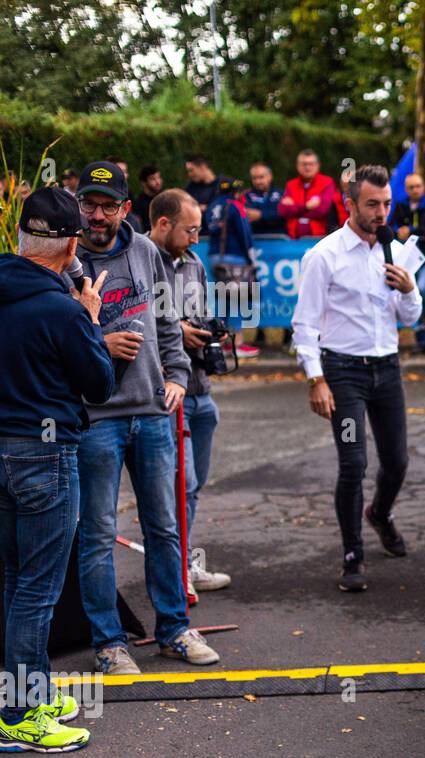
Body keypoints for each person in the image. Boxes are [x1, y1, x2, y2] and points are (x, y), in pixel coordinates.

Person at [73, 161, 219, 674]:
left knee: (165, 525)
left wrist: (177, 373)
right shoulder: (65, 261)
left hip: (154, 413)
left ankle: (174, 630)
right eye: (88, 204)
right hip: (95, 420)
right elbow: (50, 339)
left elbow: (166, 319)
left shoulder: (145, 253)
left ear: (125, 209)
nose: (95, 214)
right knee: (95, 533)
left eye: (106, 205)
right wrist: (99, 343)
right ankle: (110, 643)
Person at [0, 188, 115, 753]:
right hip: (44, 457)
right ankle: (20, 714)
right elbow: (99, 383)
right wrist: (90, 319)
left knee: (12, 580)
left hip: (3, 450)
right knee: (36, 590)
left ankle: (24, 693)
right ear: (70, 244)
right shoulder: (64, 309)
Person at [292, 165, 422, 592]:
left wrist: (408, 289)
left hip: (387, 368)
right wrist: (317, 379)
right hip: (343, 371)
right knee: (353, 464)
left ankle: (380, 514)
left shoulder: (397, 251)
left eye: (387, 204)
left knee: (397, 461)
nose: (382, 212)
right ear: (350, 204)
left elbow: (412, 317)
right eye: (372, 204)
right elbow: (305, 325)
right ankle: (352, 554)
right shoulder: (324, 255)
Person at [147, 190, 233, 595]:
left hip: (201, 389)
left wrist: (208, 330)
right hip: (165, 395)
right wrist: (176, 331)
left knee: (192, 488)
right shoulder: (140, 260)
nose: (197, 239)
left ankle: (184, 564)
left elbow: (198, 314)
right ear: (164, 224)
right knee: (176, 489)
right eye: (191, 231)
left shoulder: (193, 262)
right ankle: (173, 573)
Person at [207, 180, 260, 360]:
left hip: (215, 257)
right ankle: (236, 343)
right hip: (234, 258)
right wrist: (252, 259)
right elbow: (245, 234)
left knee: (223, 298)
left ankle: (220, 342)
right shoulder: (235, 206)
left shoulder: (213, 205)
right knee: (238, 299)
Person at [390, 172, 425, 352]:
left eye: (418, 186)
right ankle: (422, 336)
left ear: (423, 187)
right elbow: (391, 225)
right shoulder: (401, 205)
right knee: (411, 291)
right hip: (405, 258)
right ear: (406, 189)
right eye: (411, 187)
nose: (415, 190)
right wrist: (399, 231)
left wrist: (412, 231)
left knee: (423, 290)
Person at [278, 149, 346, 240]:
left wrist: (294, 208)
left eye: (311, 164)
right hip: (292, 239)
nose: (307, 167)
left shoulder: (327, 183)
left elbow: (322, 210)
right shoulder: (291, 185)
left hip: (319, 238)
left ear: (318, 165)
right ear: (297, 166)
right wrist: (307, 206)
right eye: (304, 164)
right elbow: (283, 211)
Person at [184, 154, 230, 235]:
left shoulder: (224, 183)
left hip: (222, 236)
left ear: (203, 167)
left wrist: (207, 208)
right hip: (199, 237)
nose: (189, 174)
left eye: (191, 170)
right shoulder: (190, 188)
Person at [244, 163, 286, 236]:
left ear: (270, 176)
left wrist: (261, 215)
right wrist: (271, 214)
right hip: (256, 239)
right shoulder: (246, 196)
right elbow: (249, 216)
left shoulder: (282, 194)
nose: (258, 181)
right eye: (254, 178)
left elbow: (284, 215)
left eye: (261, 177)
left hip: (280, 239)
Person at [134, 165, 164, 231]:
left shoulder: (166, 198)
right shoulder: (139, 203)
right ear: (143, 183)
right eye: (153, 179)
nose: (158, 182)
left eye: (158, 177)